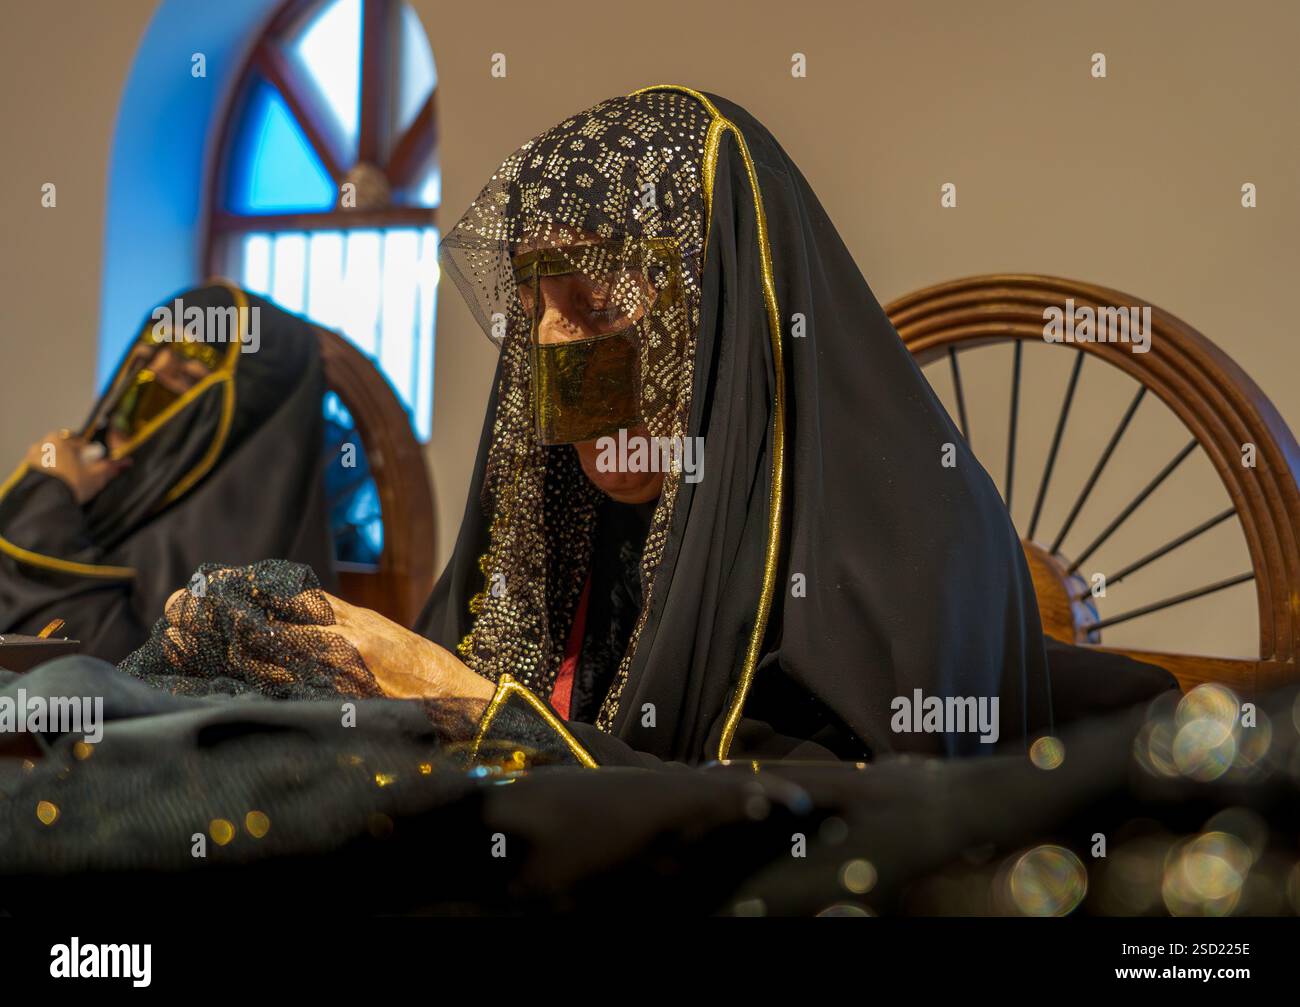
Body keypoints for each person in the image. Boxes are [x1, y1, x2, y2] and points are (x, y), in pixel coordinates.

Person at [309, 85, 1116, 768]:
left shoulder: (915, 537)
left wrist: (474, 710)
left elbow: (813, 827)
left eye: (597, 304)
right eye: (533, 308)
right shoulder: (557, 510)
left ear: (720, 312)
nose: (554, 353)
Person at [0, 282, 335, 663]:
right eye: (144, 359)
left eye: (186, 377)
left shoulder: (239, 575)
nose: (148, 379)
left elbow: (103, 672)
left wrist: (47, 500)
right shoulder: (96, 489)